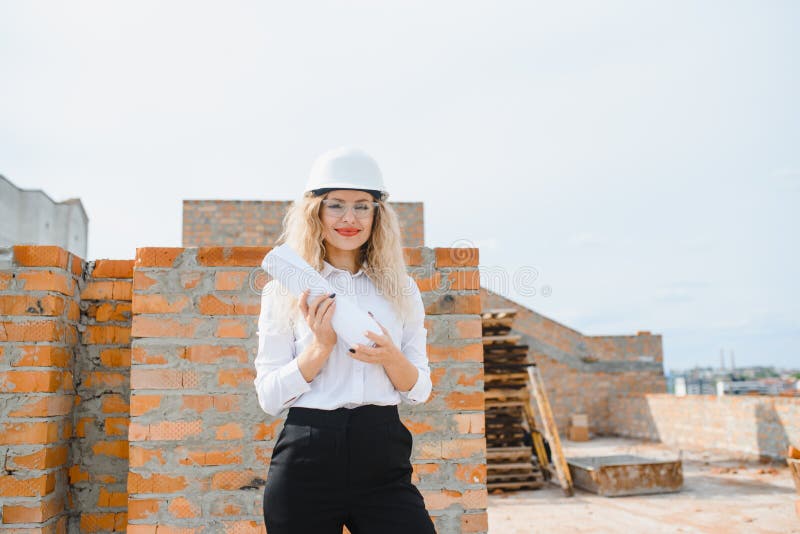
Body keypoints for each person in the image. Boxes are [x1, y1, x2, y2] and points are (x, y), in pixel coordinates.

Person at [254, 147, 437, 534]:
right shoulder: (283, 291)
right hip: (306, 462)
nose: (349, 218)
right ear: (315, 212)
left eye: (362, 206)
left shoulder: (401, 290)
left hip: (382, 456)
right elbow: (269, 398)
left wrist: (390, 357)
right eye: (335, 205)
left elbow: (420, 390)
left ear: (377, 214)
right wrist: (320, 348)